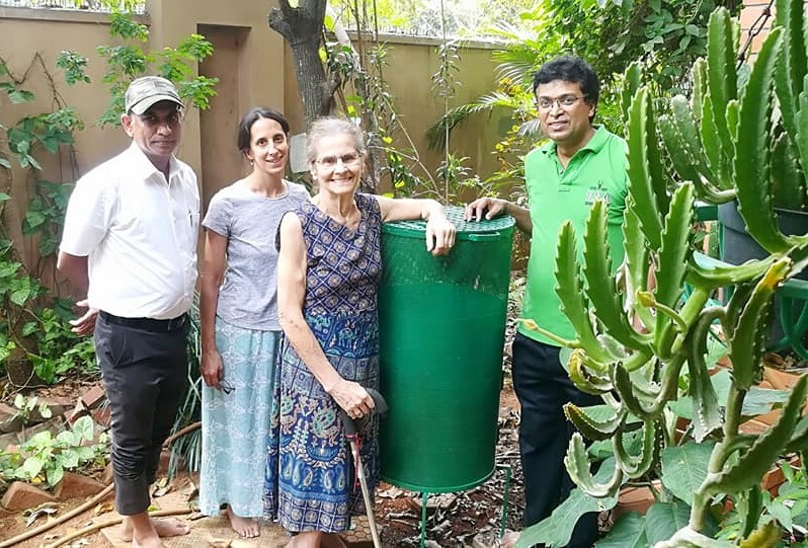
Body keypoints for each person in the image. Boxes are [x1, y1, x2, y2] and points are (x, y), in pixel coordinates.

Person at [266, 116, 457, 548]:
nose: (340, 168)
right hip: (316, 371)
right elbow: (289, 316)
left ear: (362, 161)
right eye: (328, 160)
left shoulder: (372, 209)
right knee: (313, 513)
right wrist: (335, 386)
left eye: (348, 157)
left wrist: (439, 215)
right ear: (311, 168)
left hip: (364, 359)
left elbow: (425, 204)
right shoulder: (297, 222)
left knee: (342, 489)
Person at [465, 56, 629, 547]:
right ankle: (539, 535)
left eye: (566, 100)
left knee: (586, 456)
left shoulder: (622, 156)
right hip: (537, 335)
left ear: (590, 105)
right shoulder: (536, 162)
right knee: (537, 446)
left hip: (596, 344)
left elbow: (653, 240)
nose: (554, 111)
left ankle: (575, 542)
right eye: (545, 103)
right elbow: (549, 227)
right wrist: (511, 209)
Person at [57, 76, 197, 548]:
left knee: (159, 425)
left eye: (170, 117)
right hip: (127, 335)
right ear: (128, 124)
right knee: (132, 432)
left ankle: (139, 514)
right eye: (151, 118)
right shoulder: (104, 184)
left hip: (175, 329)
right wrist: (102, 299)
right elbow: (70, 259)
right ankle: (136, 526)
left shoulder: (186, 177)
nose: (163, 128)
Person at [198, 107, 311, 538]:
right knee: (238, 422)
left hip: (289, 328)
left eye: (278, 138)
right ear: (248, 151)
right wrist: (208, 347)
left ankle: (275, 500)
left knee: (280, 421)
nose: (272, 148)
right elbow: (209, 278)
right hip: (239, 329)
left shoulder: (301, 199)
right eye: (261, 142)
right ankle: (238, 504)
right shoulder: (227, 202)